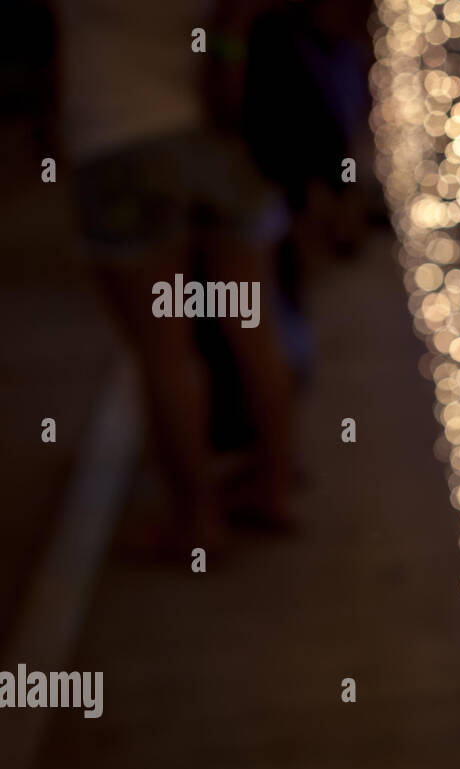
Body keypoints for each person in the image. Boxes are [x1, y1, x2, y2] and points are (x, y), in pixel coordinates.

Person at [53, 0, 298, 558]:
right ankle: (272, 487)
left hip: (120, 146)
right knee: (253, 331)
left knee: (166, 352)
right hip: (212, 145)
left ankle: (196, 523)